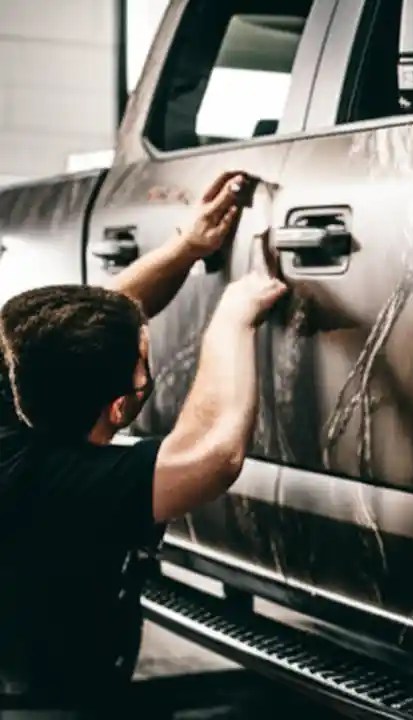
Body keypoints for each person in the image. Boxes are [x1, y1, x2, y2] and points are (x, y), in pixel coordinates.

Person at [0, 171, 287, 715]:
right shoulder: (58, 486)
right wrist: (232, 318)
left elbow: (103, 312)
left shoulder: (23, 373)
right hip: (41, 701)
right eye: (143, 360)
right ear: (118, 407)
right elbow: (212, 453)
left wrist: (186, 247)